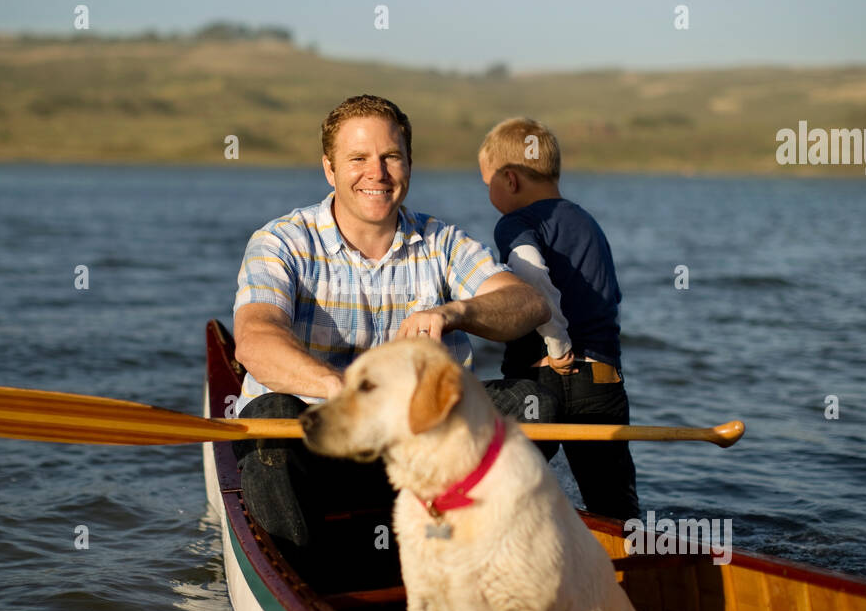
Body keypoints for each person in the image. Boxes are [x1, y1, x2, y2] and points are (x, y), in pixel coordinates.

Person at [231, 95, 552, 583]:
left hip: (419, 452)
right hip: (318, 448)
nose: (376, 173)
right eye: (358, 159)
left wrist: (455, 311)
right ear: (329, 169)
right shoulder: (281, 241)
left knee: (534, 403)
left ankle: (473, 544)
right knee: (271, 417)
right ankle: (306, 586)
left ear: (408, 164)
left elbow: (529, 304)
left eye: (390, 157)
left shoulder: (441, 241)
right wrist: (347, 395)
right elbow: (255, 341)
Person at [477, 117, 639, 521]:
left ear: (511, 180)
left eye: (489, 185)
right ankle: (634, 571)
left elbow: (533, 279)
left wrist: (557, 343)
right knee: (614, 504)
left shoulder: (516, 223)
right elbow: (607, 295)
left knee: (505, 490)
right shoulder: (588, 223)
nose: (490, 195)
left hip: (544, 374)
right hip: (602, 380)